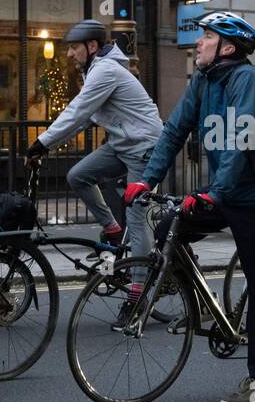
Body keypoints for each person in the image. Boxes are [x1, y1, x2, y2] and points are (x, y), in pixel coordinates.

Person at [124, 11, 255, 402]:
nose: (198, 42)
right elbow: (174, 130)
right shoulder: (203, 80)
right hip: (226, 192)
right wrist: (148, 179)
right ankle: (194, 300)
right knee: (168, 226)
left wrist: (215, 192)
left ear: (227, 47)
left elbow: (241, 140)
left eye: (206, 37)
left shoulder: (247, 81)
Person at [25, 19, 162, 264]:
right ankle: (113, 230)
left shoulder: (105, 70)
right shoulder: (96, 70)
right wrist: (47, 146)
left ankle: (140, 287)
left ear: (91, 46)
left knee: (137, 219)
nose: (69, 53)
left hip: (144, 148)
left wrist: (42, 142)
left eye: (73, 47)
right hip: (123, 145)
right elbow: (85, 117)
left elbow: (77, 110)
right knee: (78, 176)